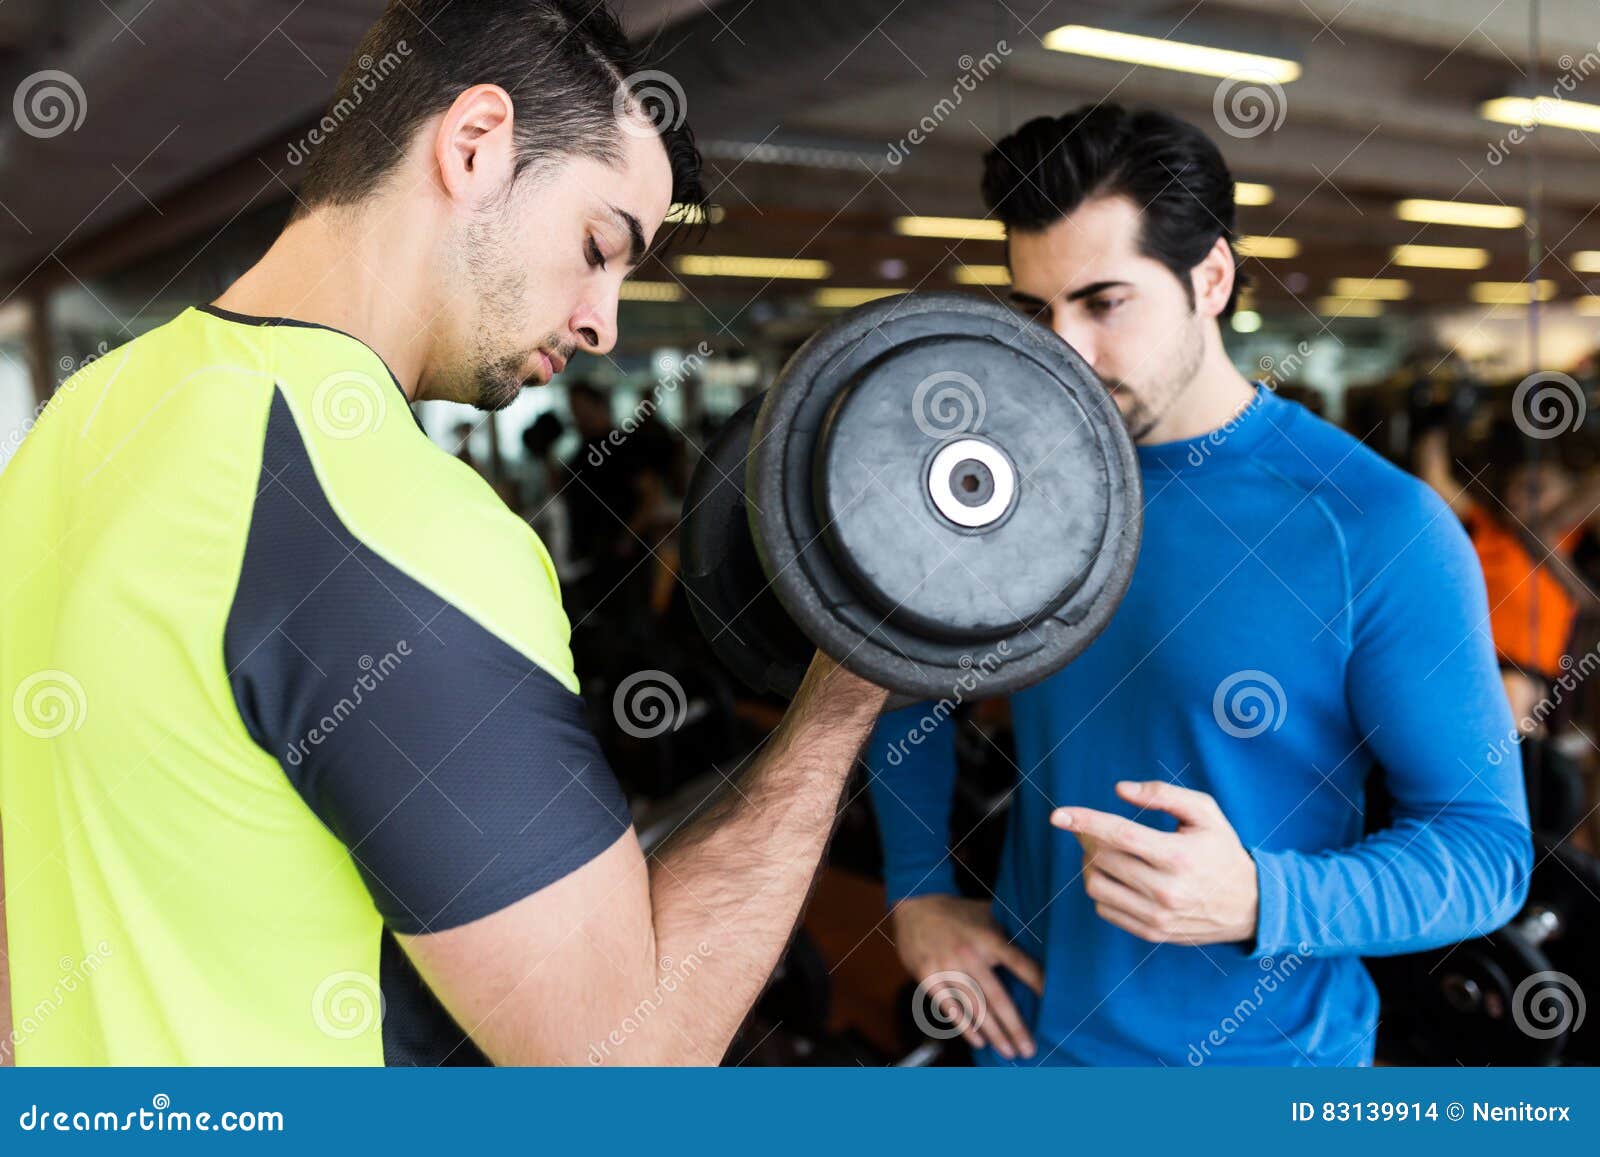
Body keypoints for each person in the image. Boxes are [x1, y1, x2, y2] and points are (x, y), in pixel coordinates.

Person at [0, 0, 888, 1066]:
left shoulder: (82, 422)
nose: (605, 318)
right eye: (601, 244)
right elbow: (621, 1064)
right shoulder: (388, 516)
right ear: (474, 146)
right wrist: (845, 695)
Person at [865, 104, 1531, 1067]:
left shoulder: (1373, 527)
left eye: (1104, 302)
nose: (1067, 353)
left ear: (1210, 277)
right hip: (1022, 1048)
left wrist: (1266, 897)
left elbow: (1484, 852)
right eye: (1038, 311)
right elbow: (903, 679)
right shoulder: (1022, 482)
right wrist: (916, 887)